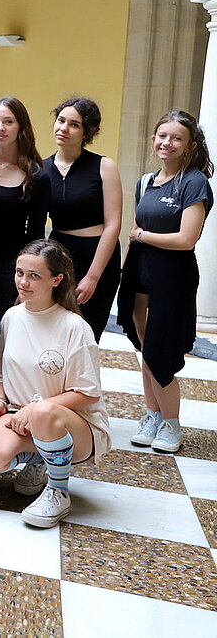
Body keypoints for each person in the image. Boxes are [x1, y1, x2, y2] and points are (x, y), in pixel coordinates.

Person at [0, 239, 110, 528]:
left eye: (35, 276)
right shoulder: (11, 316)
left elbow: (87, 394)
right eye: (20, 273)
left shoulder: (75, 326)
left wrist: (36, 410)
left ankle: (58, 491)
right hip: (22, 416)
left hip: (75, 426)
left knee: (44, 413)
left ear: (57, 280)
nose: (24, 282)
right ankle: (41, 462)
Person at [118, 110, 214, 453]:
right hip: (139, 275)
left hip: (173, 277)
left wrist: (143, 235)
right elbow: (132, 233)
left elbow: (186, 239)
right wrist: (125, 268)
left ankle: (171, 423)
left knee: (160, 351)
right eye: (162, 136)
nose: (167, 143)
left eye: (176, 138)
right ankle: (152, 415)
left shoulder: (194, 183)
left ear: (189, 146)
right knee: (145, 349)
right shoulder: (146, 181)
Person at [44, 97, 122, 342]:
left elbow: (113, 224)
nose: (63, 128)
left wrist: (93, 276)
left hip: (97, 255)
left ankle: (83, 382)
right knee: (55, 334)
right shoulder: (40, 168)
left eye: (74, 124)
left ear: (87, 132)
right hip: (58, 255)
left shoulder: (103, 166)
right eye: (60, 120)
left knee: (86, 336)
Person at [0, 97, 49, 314]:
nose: (0, 128)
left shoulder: (36, 176)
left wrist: (27, 279)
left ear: (21, 127)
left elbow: (35, 234)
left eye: (8, 122)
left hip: (9, 266)